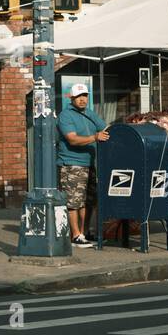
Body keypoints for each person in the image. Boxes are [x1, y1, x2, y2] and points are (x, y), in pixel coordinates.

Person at [56, 83, 109, 248]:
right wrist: (95, 137)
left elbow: (106, 129)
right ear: (71, 98)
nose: (82, 99)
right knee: (73, 202)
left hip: (89, 163)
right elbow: (72, 138)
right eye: (79, 96)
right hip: (71, 164)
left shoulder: (89, 113)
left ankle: (84, 233)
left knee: (89, 200)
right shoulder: (66, 115)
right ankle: (75, 235)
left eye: (85, 95)